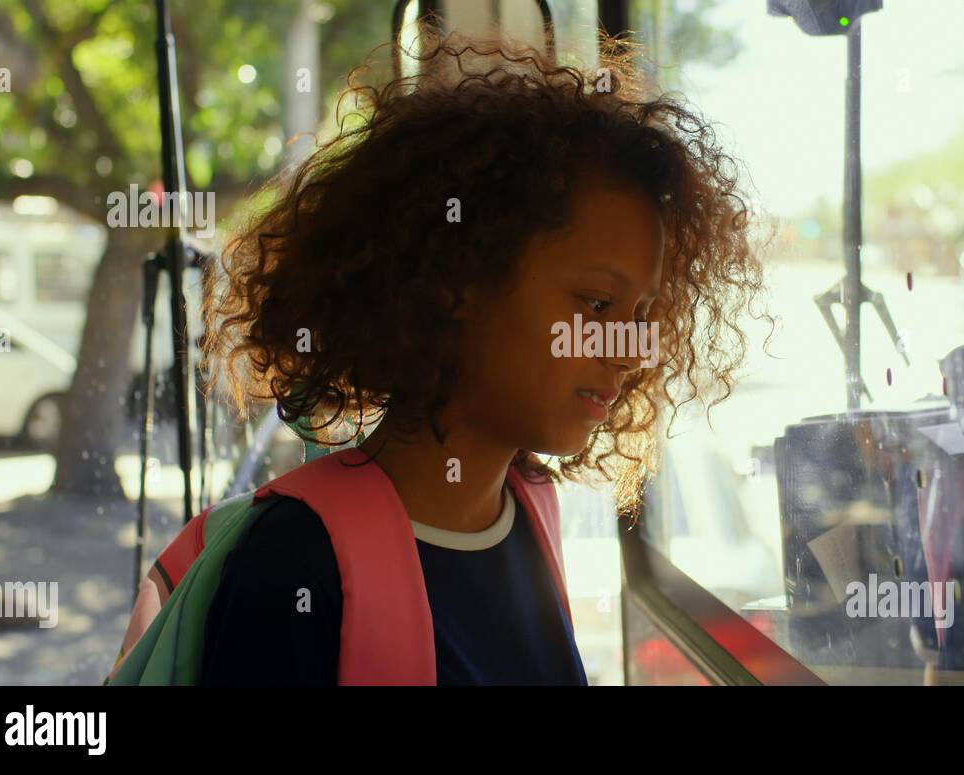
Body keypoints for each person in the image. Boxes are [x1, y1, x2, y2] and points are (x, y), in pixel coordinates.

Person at [129, 29, 767, 686]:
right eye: (598, 304)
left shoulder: (531, 512)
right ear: (456, 283)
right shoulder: (294, 563)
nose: (631, 350)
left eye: (641, 315)